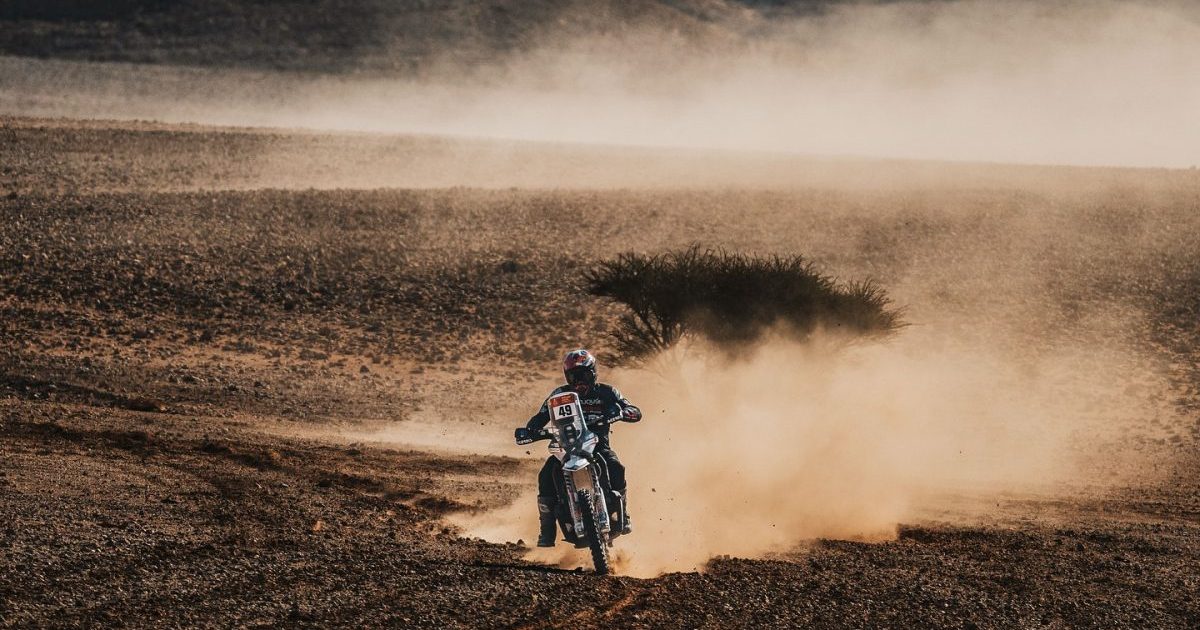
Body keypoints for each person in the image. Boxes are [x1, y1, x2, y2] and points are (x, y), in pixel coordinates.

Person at [517, 349, 642, 547]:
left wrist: (621, 412)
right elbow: (541, 416)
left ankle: (623, 515)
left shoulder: (607, 392)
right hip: (566, 448)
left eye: (583, 375)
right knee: (545, 475)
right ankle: (547, 531)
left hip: (598, 445)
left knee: (616, 466)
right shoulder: (559, 396)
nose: (579, 381)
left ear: (593, 373)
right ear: (567, 377)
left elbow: (634, 411)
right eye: (573, 376)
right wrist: (530, 430)